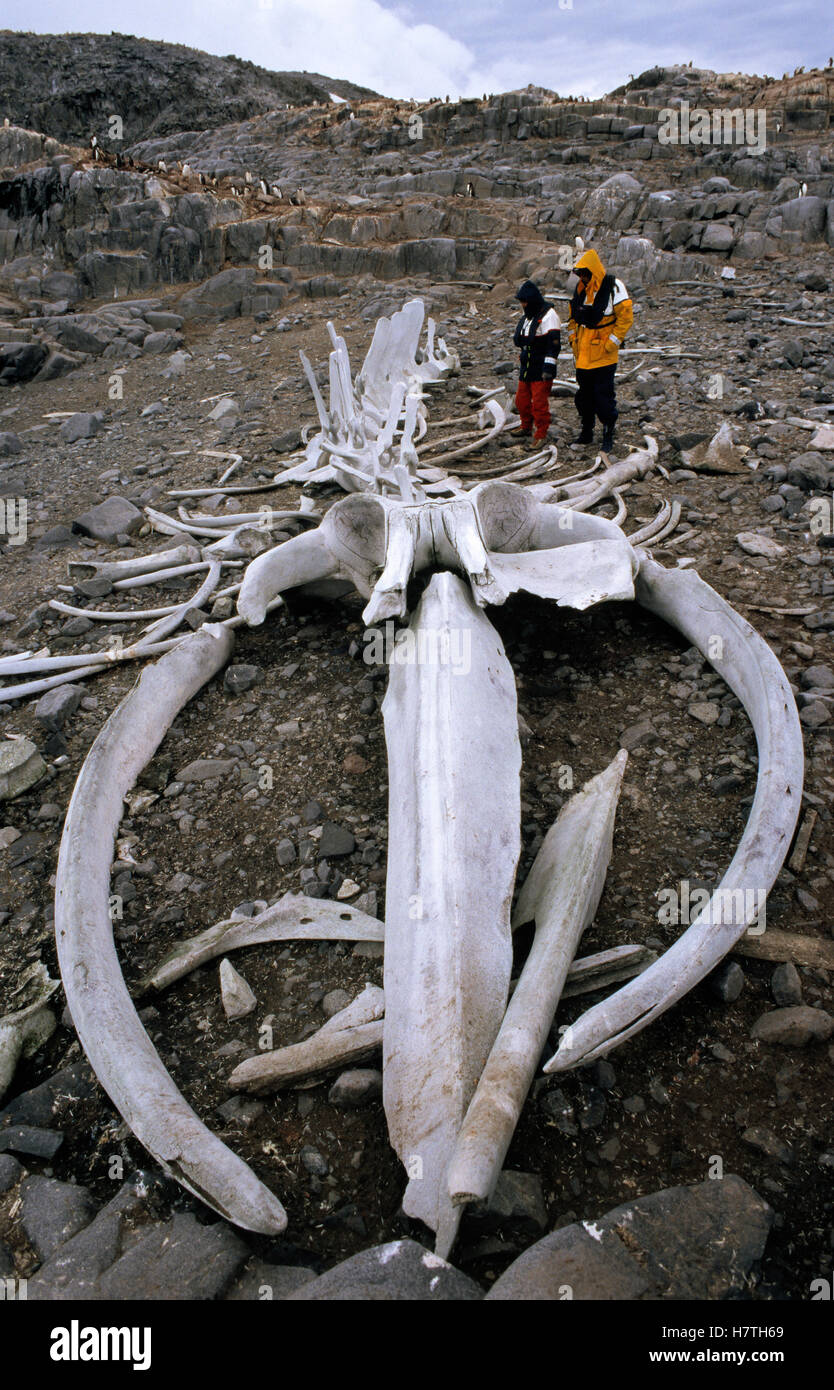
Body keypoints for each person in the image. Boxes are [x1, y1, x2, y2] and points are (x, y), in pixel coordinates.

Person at [567, 248, 633, 452]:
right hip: (583, 355)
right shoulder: (580, 289)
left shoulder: (614, 287)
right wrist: (572, 338)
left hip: (604, 355)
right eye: (580, 274)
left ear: (593, 270)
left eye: (585, 274)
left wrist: (612, 343)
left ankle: (608, 432)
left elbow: (625, 318)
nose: (583, 278)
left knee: (603, 396)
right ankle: (587, 431)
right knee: (584, 396)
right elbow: (572, 318)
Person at [511, 280, 561, 443]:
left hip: (541, 369)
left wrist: (548, 367)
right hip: (527, 367)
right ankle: (526, 426)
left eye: (525, 302)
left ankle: (541, 434)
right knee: (521, 400)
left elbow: (553, 345)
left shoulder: (549, 316)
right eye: (521, 302)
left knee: (539, 404)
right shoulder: (528, 317)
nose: (523, 305)